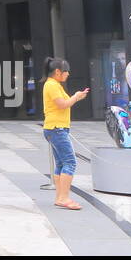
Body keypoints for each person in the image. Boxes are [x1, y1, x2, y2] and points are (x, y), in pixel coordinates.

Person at [42, 57, 89, 210]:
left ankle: (59, 197)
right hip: (57, 129)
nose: (68, 74)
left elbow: (64, 103)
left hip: (55, 128)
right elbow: (62, 105)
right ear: (57, 72)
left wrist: (77, 97)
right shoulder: (52, 85)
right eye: (66, 71)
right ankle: (64, 197)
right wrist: (76, 96)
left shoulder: (54, 84)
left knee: (61, 163)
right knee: (70, 162)